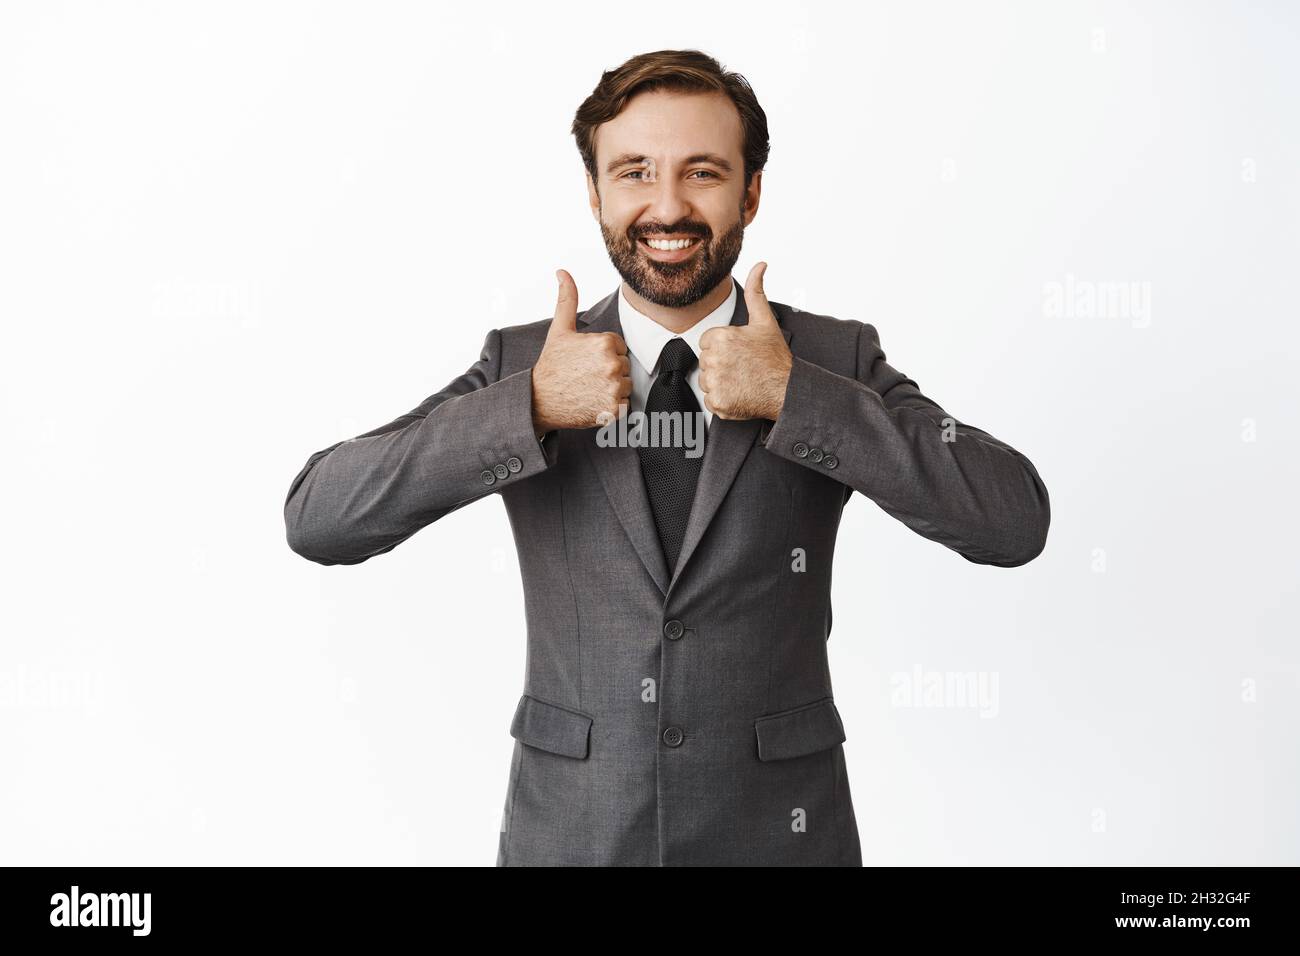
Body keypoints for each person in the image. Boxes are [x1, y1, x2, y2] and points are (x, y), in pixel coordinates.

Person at [283, 48, 1050, 866]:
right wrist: (530, 407)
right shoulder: (523, 364)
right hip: (572, 834)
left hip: (781, 836)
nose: (668, 206)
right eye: (636, 173)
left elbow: (1012, 520)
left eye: (704, 173)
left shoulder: (833, 357)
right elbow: (321, 517)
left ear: (751, 191)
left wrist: (799, 396)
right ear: (595, 192)